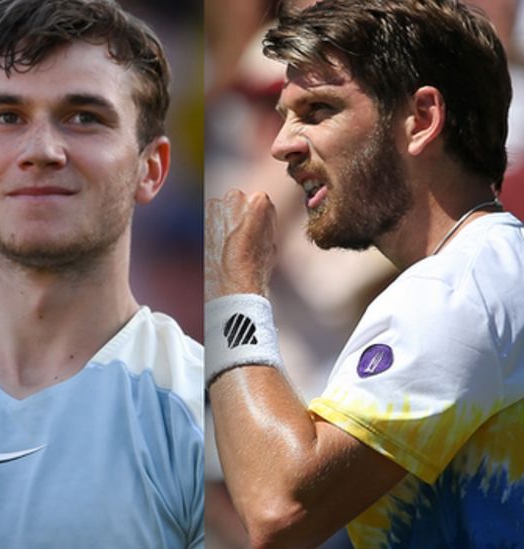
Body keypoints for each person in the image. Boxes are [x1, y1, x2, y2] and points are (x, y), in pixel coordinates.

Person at [0, 0, 204, 547]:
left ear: (151, 170)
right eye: (6, 116)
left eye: (85, 117)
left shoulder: (206, 407)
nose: (41, 150)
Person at [205, 0, 524, 547]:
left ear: (422, 120)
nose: (283, 145)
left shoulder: (455, 292)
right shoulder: (484, 269)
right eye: (281, 114)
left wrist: (233, 290)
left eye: (319, 110)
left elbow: (279, 507)